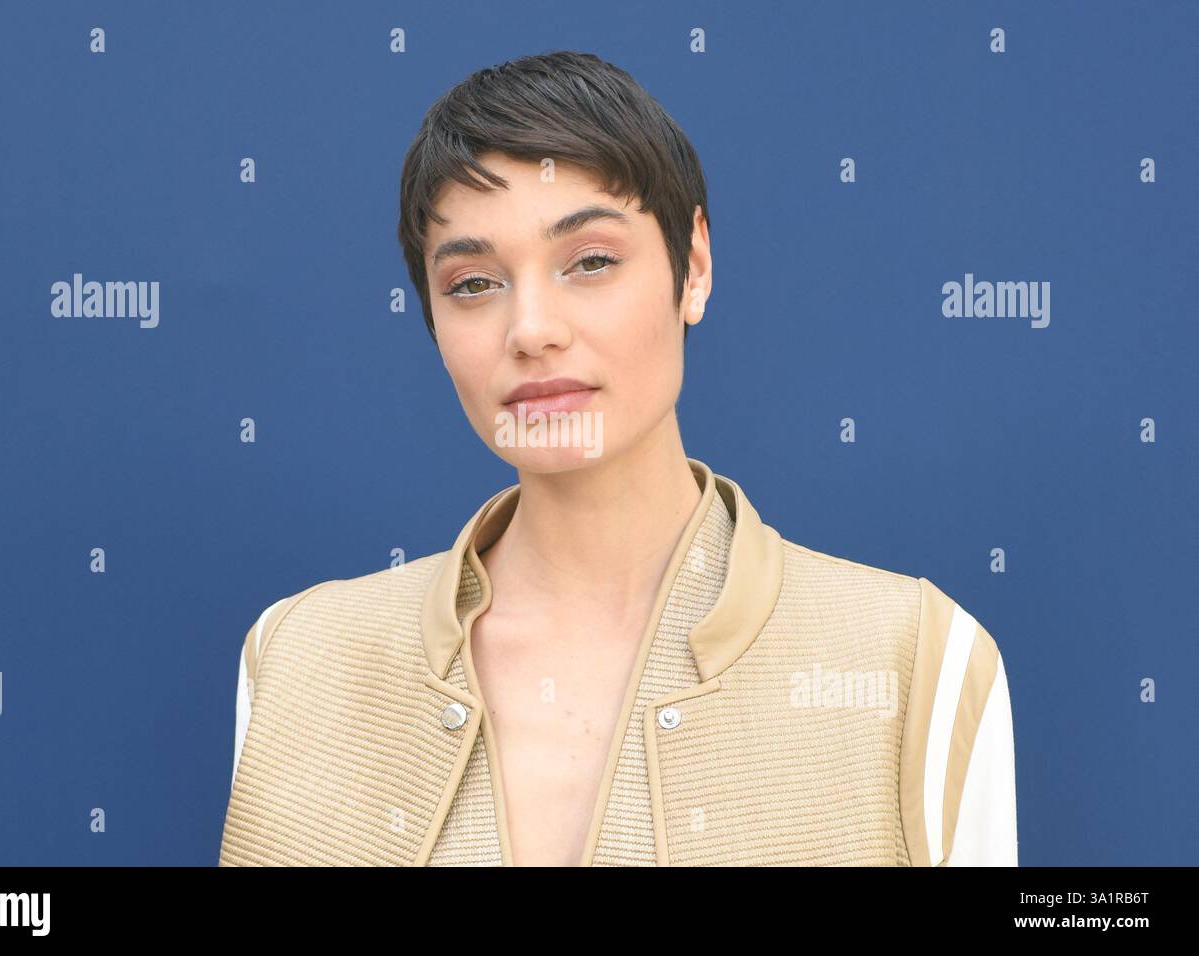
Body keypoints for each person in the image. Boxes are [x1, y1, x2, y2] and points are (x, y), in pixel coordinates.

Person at [219, 50, 1017, 867]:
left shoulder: (915, 658)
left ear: (693, 266)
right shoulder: (297, 655)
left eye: (591, 262)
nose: (531, 328)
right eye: (471, 283)